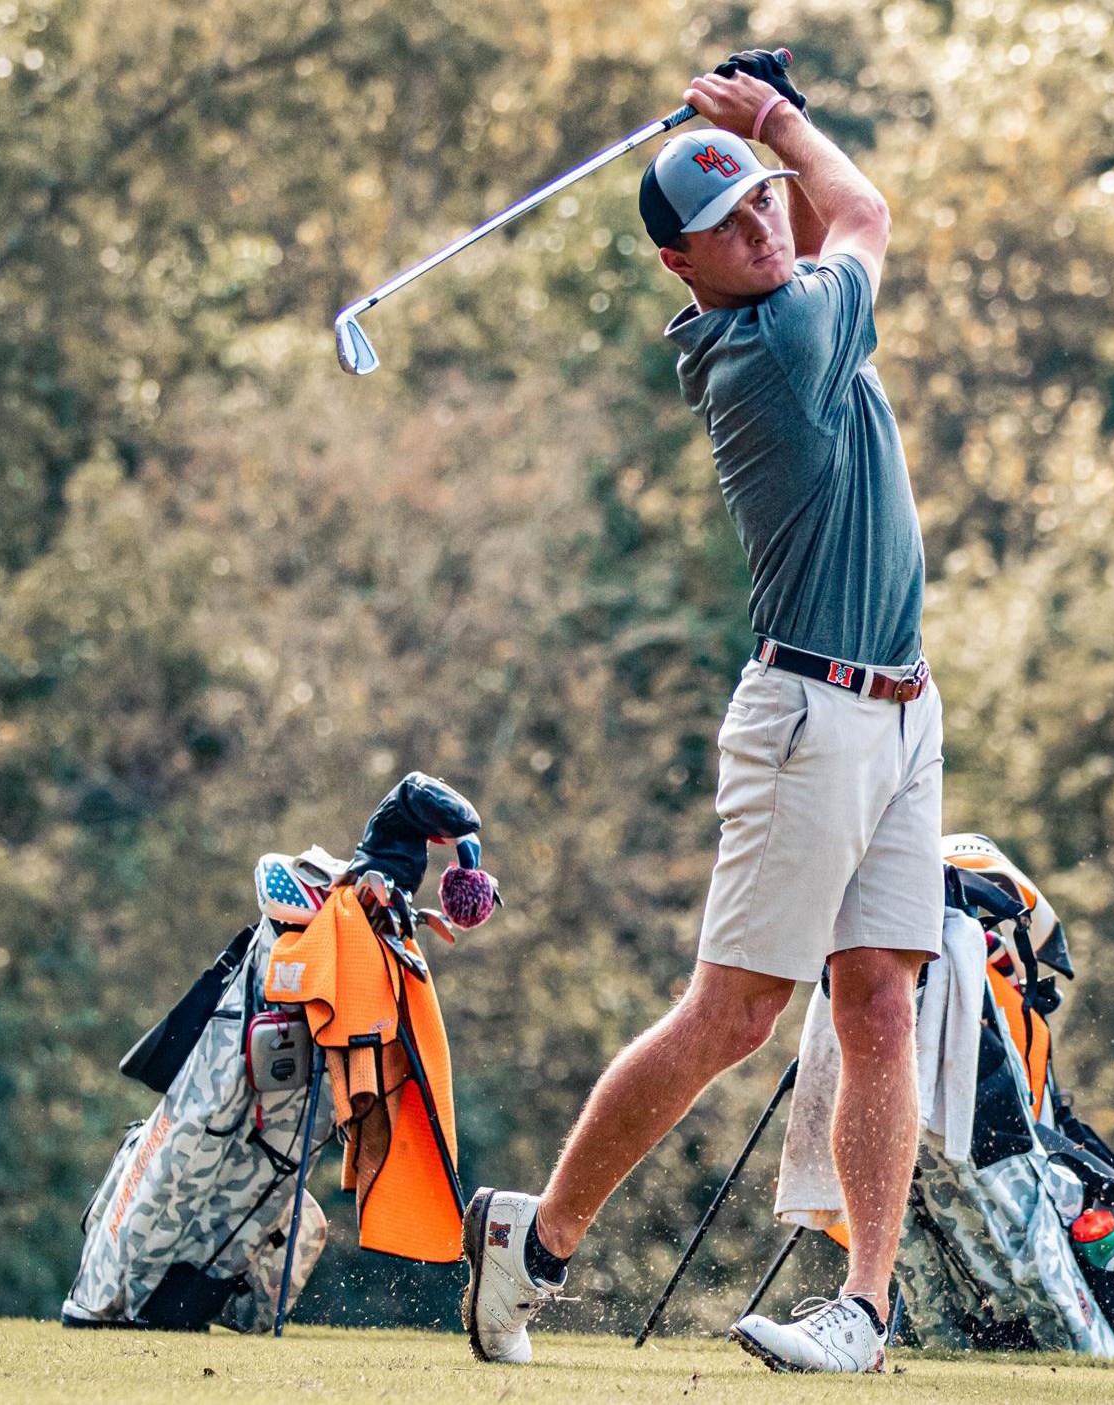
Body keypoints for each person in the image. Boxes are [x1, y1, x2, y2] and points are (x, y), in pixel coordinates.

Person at [458, 52, 940, 1374]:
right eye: (731, 223)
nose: (764, 227)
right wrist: (776, 117)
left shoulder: (786, 295)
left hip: (902, 708)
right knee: (732, 1018)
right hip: (805, 720)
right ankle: (541, 1241)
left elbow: (831, 213)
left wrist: (765, 139)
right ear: (686, 264)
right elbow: (870, 214)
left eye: (767, 201)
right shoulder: (777, 345)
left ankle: (866, 1305)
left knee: (880, 1002)